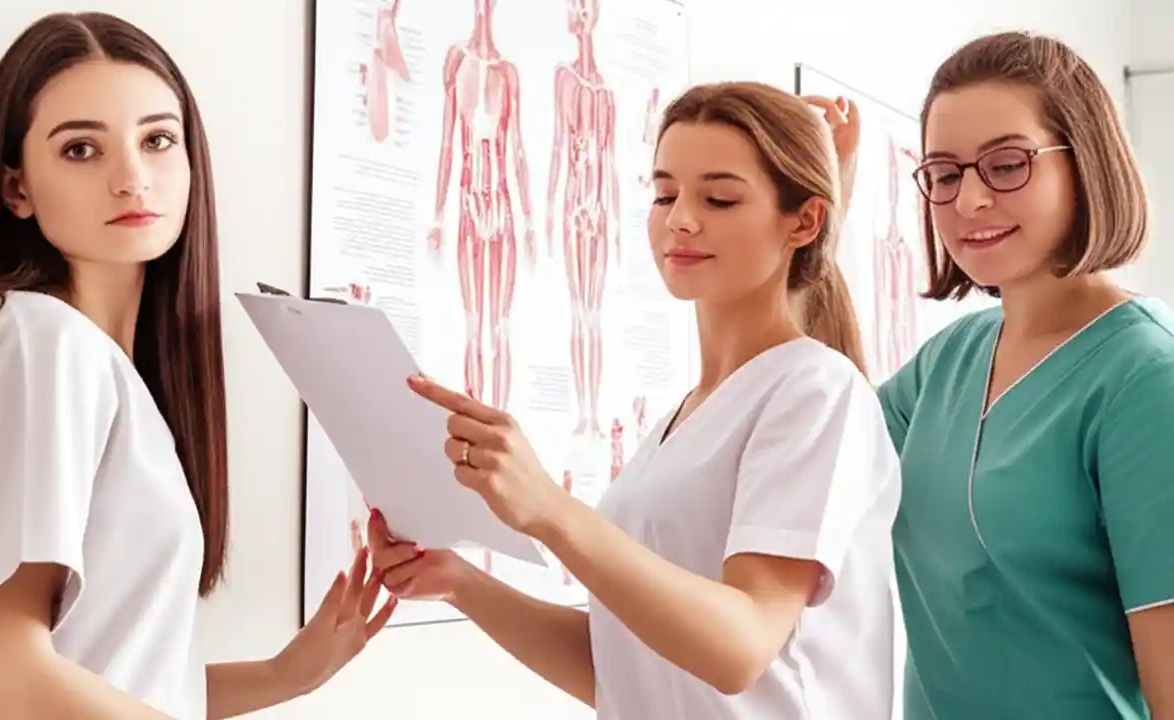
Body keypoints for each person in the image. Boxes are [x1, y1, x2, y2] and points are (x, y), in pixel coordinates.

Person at [0, 12, 394, 719]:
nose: (132, 179)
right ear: (16, 189)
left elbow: (112, 677)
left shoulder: (90, 362)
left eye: (157, 140)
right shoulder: (41, 343)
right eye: (81, 150)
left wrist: (284, 675)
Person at [369, 81, 902, 719]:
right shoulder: (688, 416)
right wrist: (458, 581)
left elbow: (740, 648)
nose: (681, 219)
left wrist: (550, 510)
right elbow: (622, 670)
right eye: (666, 194)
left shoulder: (816, 390)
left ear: (805, 221)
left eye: (720, 198)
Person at [877, 31, 1174, 719]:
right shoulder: (948, 361)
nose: (969, 200)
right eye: (944, 174)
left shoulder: (1145, 379)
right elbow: (815, 435)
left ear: (1085, 163)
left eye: (1007, 165)